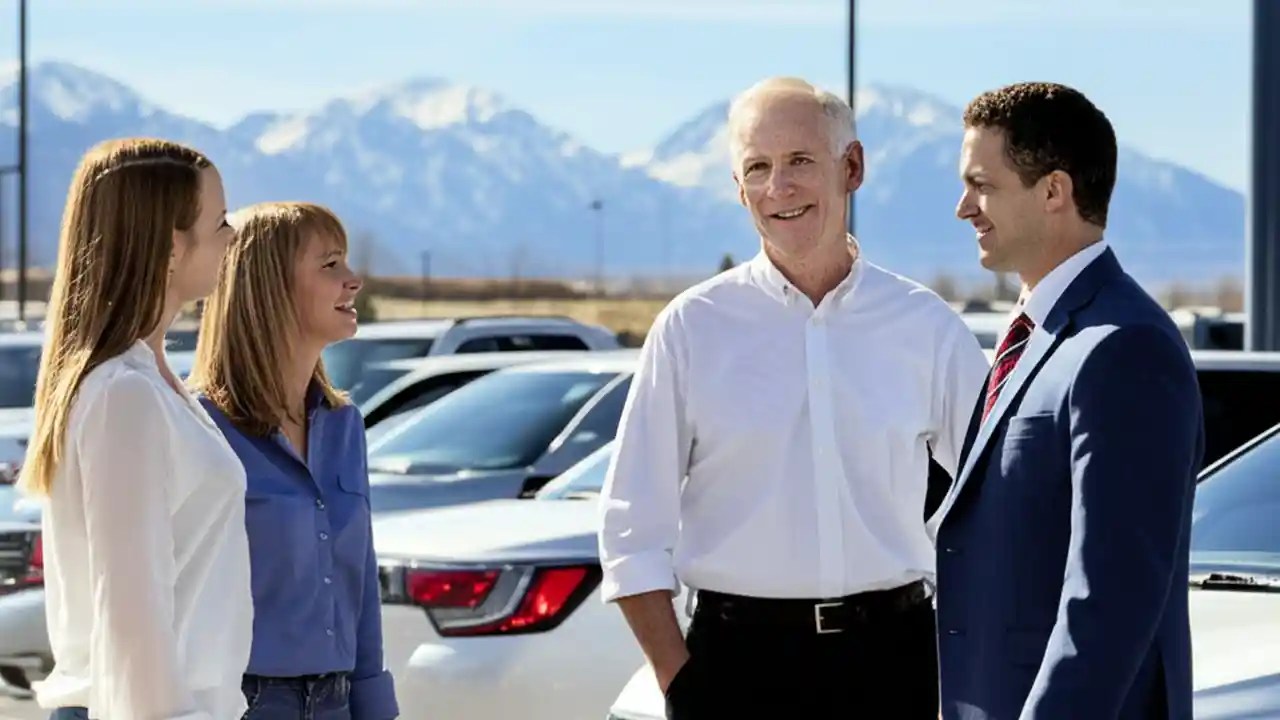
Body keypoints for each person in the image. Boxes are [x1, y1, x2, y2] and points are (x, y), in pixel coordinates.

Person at [597, 76, 990, 718]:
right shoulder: (691, 329)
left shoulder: (926, 327)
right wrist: (684, 688)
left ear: (852, 167)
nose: (778, 187)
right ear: (738, 187)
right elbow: (630, 531)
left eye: (800, 161)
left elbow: (995, 505)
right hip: (735, 673)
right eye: (758, 167)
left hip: (898, 666)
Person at [934, 82, 1204, 719]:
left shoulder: (1125, 347)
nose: (963, 208)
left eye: (981, 185)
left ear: (1054, 191)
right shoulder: (1037, 334)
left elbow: (1108, 602)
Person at [20, 138, 248, 719]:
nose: (233, 236)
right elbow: (131, 611)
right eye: (220, 222)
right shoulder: (125, 394)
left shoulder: (150, 383)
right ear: (171, 246)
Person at [188, 201, 399, 719]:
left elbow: (360, 584)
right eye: (330, 264)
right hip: (242, 705)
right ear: (269, 286)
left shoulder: (344, 425)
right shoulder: (196, 428)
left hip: (337, 703)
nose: (353, 280)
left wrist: (375, 705)